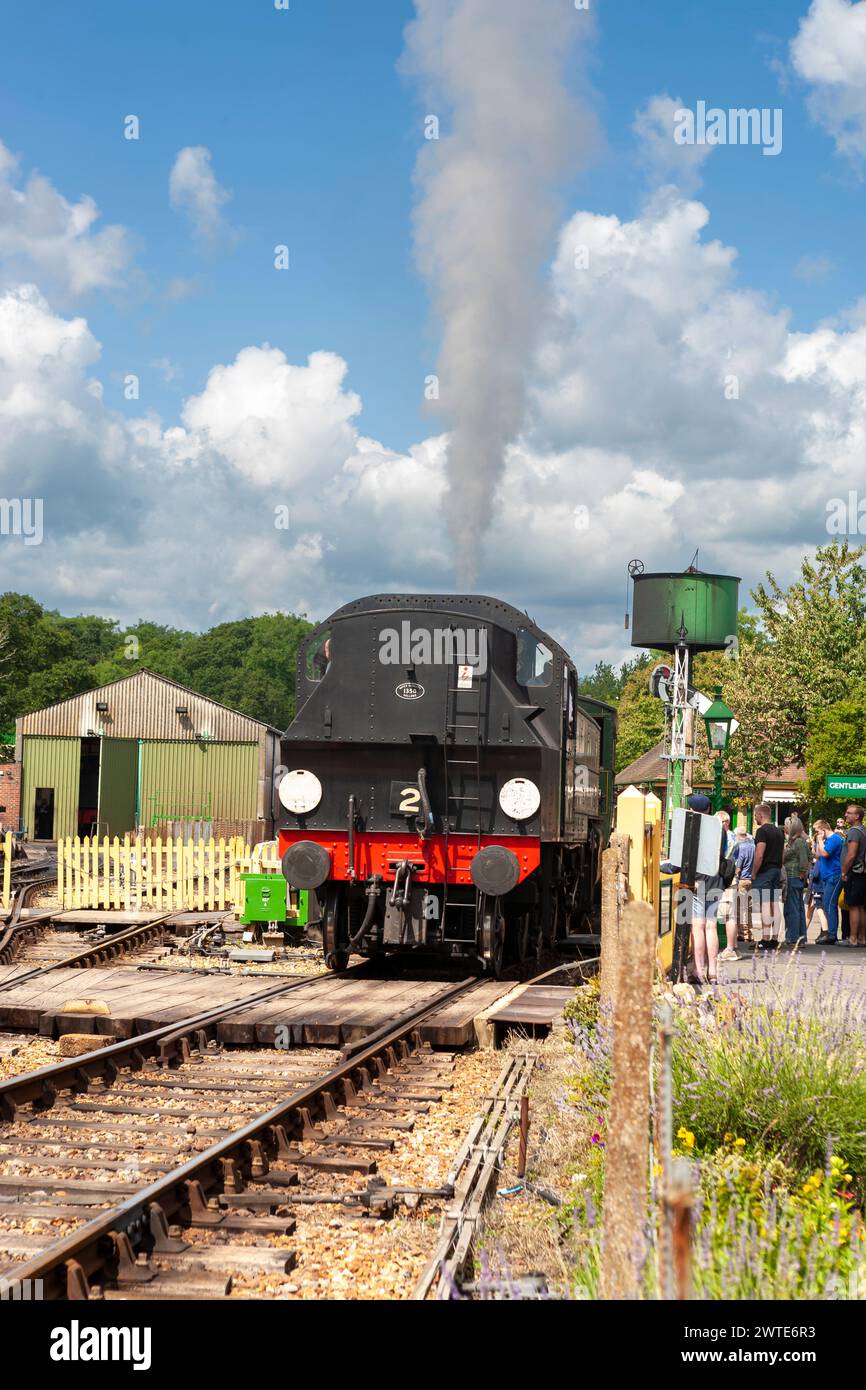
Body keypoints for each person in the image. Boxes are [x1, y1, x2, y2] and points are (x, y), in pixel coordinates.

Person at [749, 804, 785, 950]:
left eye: (756, 815)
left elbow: (759, 854)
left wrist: (754, 872)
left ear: (760, 815)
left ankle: (765, 938)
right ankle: (775, 939)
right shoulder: (778, 832)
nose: (755, 818)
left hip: (765, 871)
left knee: (765, 904)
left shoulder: (762, 831)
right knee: (774, 904)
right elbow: (782, 855)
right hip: (776, 869)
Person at [813, 818, 844, 945]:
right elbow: (817, 855)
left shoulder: (835, 839)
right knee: (826, 904)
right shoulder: (826, 840)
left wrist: (820, 841)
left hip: (834, 875)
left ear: (823, 829)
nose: (816, 834)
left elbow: (825, 854)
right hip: (826, 876)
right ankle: (831, 933)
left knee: (830, 904)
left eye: (817, 831)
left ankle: (832, 935)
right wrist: (819, 842)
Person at [782, 814, 810, 945]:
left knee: (792, 908)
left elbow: (804, 859)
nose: (785, 829)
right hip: (794, 877)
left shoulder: (798, 842)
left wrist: (803, 872)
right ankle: (800, 937)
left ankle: (793, 938)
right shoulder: (797, 841)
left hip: (793, 877)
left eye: (786, 827)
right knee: (798, 908)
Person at [841, 803, 866, 947]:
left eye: (849, 813)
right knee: (861, 906)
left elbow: (851, 855)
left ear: (857, 816)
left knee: (854, 906)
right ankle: (862, 938)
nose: (846, 815)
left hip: (854, 873)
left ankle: (853, 938)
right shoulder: (864, 830)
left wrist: (844, 871)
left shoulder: (854, 832)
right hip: (862, 872)